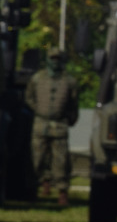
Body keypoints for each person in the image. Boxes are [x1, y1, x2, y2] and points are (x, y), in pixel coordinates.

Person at [25, 48, 79, 205]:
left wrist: (70, 118)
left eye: (58, 58)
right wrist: (38, 110)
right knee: (37, 158)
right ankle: (36, 186)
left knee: (61, 160)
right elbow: (29, 97)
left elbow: (73, 104)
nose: (55, 61)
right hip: (40, 123)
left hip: (59, 124)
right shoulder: (37, 78)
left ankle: (62, 191)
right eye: (52, 58)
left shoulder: (69, 81)